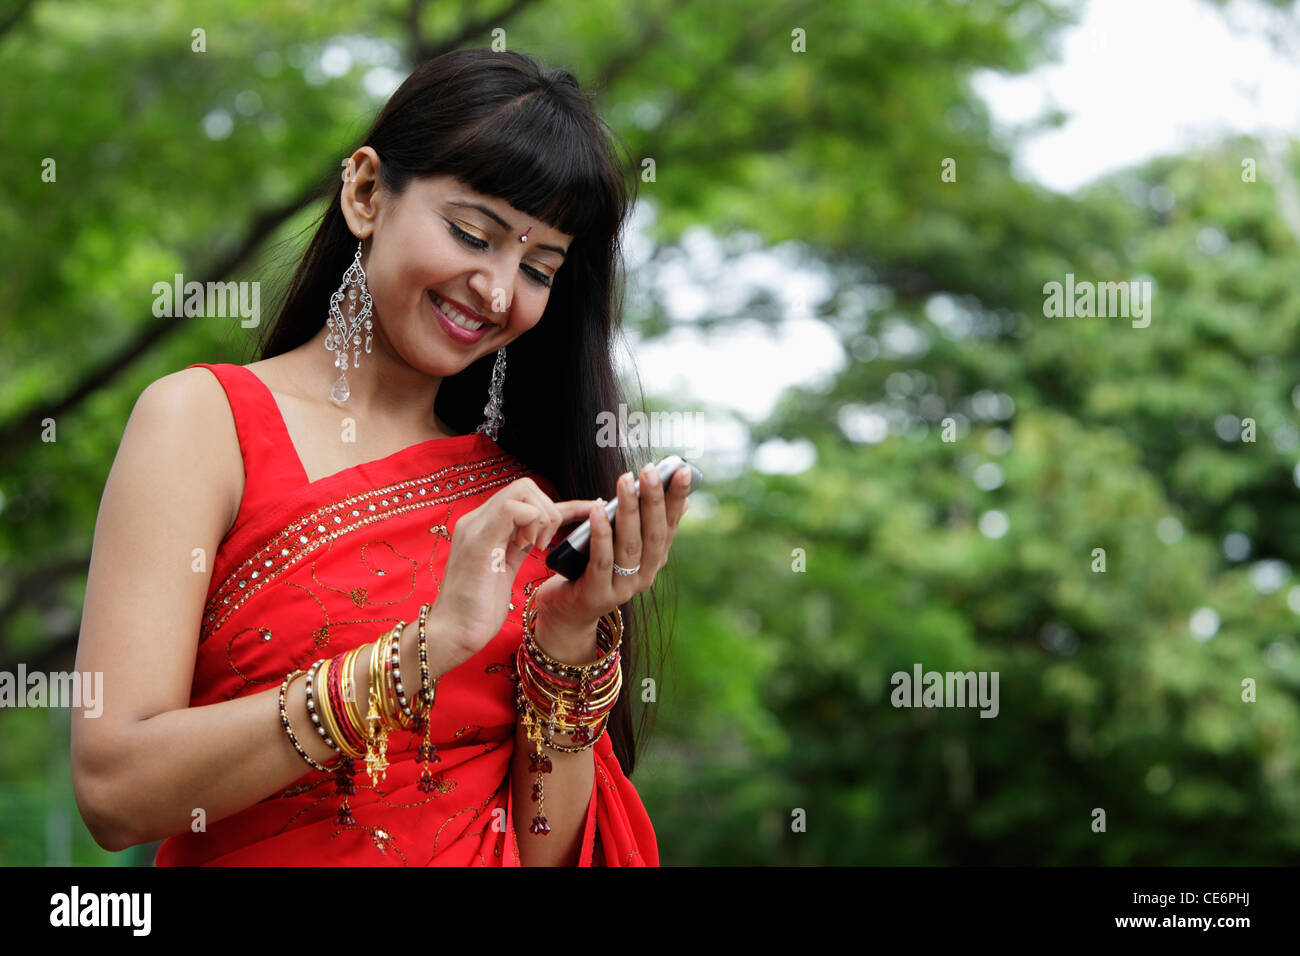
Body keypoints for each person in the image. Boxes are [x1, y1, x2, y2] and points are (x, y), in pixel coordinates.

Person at [70, 48, 688, 865]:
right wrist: (421, 655)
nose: (499, 292)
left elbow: (547, 854)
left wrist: (569, 636)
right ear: (365, 193)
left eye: (539, 269)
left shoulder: (523, 505)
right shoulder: (204, 424)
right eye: (473, 233)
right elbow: (117, 793)